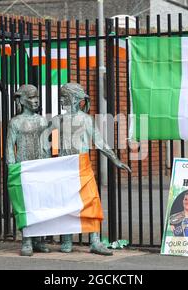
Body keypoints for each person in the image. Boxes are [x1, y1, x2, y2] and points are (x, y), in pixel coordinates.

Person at [50, 83, 131, 255]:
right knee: (66, 204)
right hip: (64, 166)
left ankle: (94, 240)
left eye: (64, 96)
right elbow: (43, 141)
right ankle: (66, 240)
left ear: (74, 99)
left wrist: (115, 159)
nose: (61, 99)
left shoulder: (86, 120)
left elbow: (100, 143)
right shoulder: (58, 120)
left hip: (82, 165)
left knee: (91, 202)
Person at [6, 84, 51, 256]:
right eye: (31, 97)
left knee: (40, 203)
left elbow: (46, 144)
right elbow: (10, 146)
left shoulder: (41, 120)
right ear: (22, 100)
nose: (35, 100)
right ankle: (26, 239)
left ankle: (39, 239)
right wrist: (11, 166)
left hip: (40, 166)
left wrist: (47, 163)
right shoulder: (15, 122)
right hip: (23, 166)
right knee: (25, 204)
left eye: (36, 97)